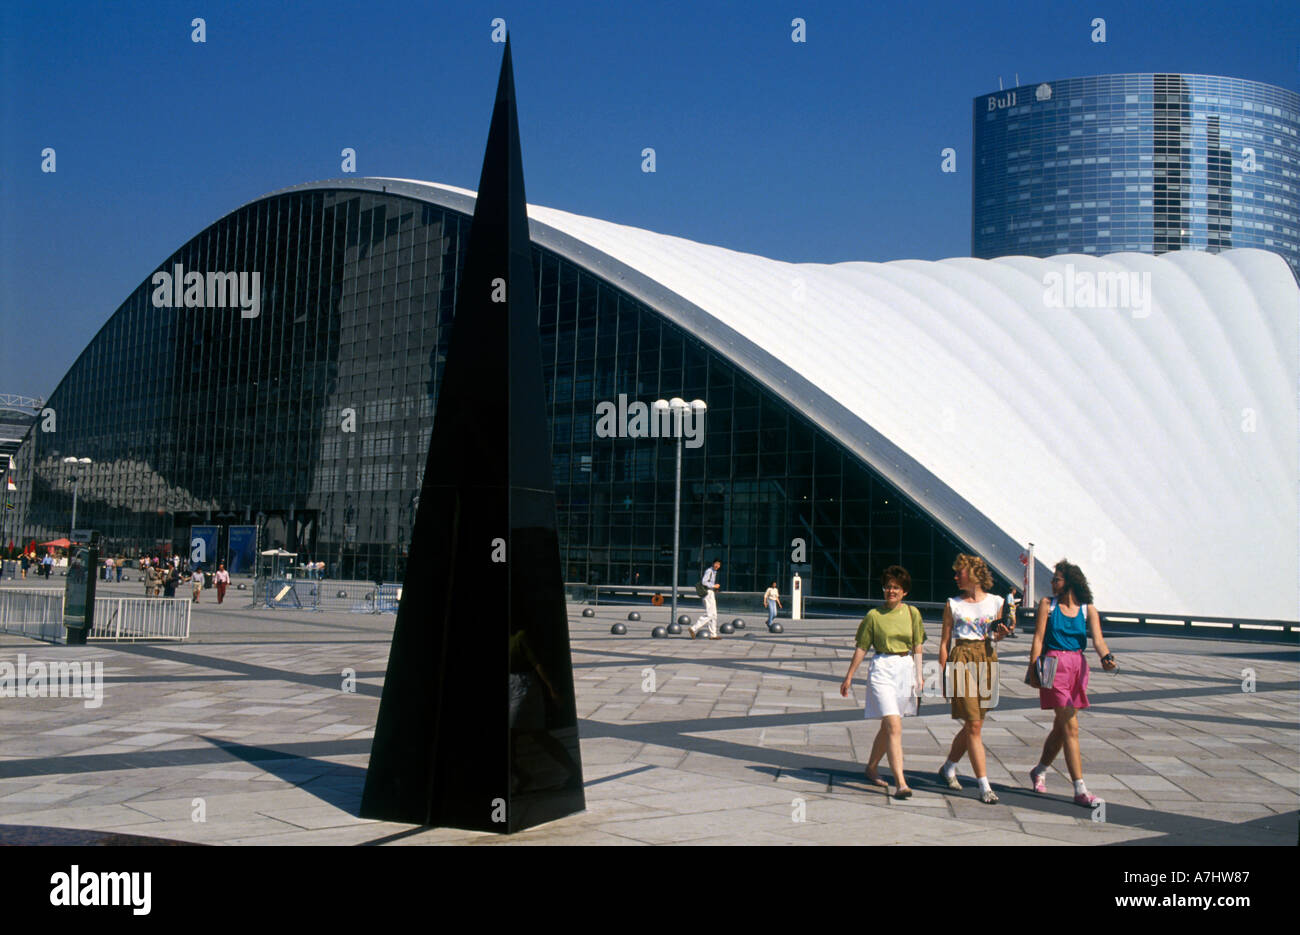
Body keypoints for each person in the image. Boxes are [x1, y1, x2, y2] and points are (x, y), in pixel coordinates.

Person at [1028, 559, 1118, 807]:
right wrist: (1033, 667)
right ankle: (1080, 789)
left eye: (1056, 579)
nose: (1052, 583)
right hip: (1053, 665)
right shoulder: (1048, 605)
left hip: (1078, 668)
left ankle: (1040, 770)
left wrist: (1106, 657)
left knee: (1061, 727)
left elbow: (1098, 640)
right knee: (1071, 726)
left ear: (1069, 582)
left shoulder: (1087, 609)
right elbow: (1038, 638)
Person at [840, 565, 925, 799]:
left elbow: (918, 644)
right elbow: (862, 647)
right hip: (882, 669)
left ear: (904, 591)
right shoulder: (874, 616)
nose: (891, 591)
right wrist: (849, 676)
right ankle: (901, 783)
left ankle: (871, 767)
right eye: (888, 586)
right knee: (894, 726)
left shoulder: (912, 614)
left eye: (896, 587)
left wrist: (919, 674)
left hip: (904, 668)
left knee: (888, 725)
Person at [937, 553, 1011, 804]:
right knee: (974, 725)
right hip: (962, 657)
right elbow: (944, 643)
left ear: (974, 574)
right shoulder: (953, 604)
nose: (956, 576)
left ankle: (948, 767)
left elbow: (999, 635)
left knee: (974, 724)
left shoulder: (996, 602)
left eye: (960, 572)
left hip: (987, 658)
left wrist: (1002, 633)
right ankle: (984, 786)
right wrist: (946, 674)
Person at [687, 558, 723, 640]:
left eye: (719, 564)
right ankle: (693, 628)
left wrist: (714, 588)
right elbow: (704, 582)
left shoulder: (714, 572)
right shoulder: (709, 571)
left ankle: (713, 634)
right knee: (709, 614)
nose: (717, 566)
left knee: (714, 615)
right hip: (707, 593)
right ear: (713, 563)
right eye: (716, 563)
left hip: (711, 592)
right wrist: (713, 586)